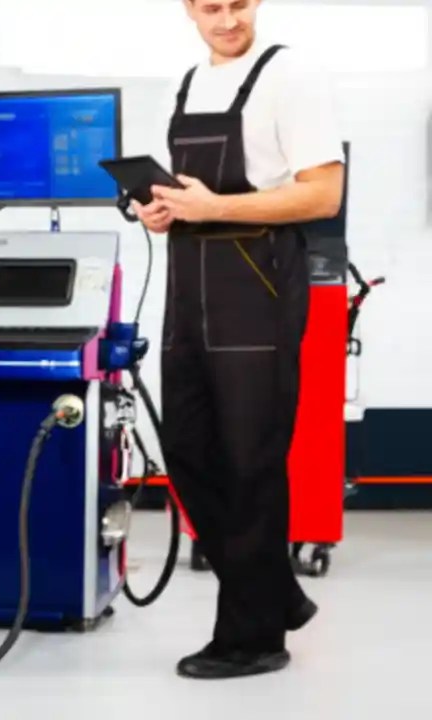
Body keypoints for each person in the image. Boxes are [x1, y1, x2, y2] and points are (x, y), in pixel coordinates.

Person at [131, 0, 345, 679]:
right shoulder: (185, 83)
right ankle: (274, 592)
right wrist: (158, 208)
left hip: (259, 284)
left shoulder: (292, 77)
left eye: (239, 3)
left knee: (250, 462)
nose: (228, 20)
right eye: (211, 7)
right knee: (188, 450)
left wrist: (215, 206)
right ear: (188, 10)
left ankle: (253, 637)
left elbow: (321, 195)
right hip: (188, 288)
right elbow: (186, 191)